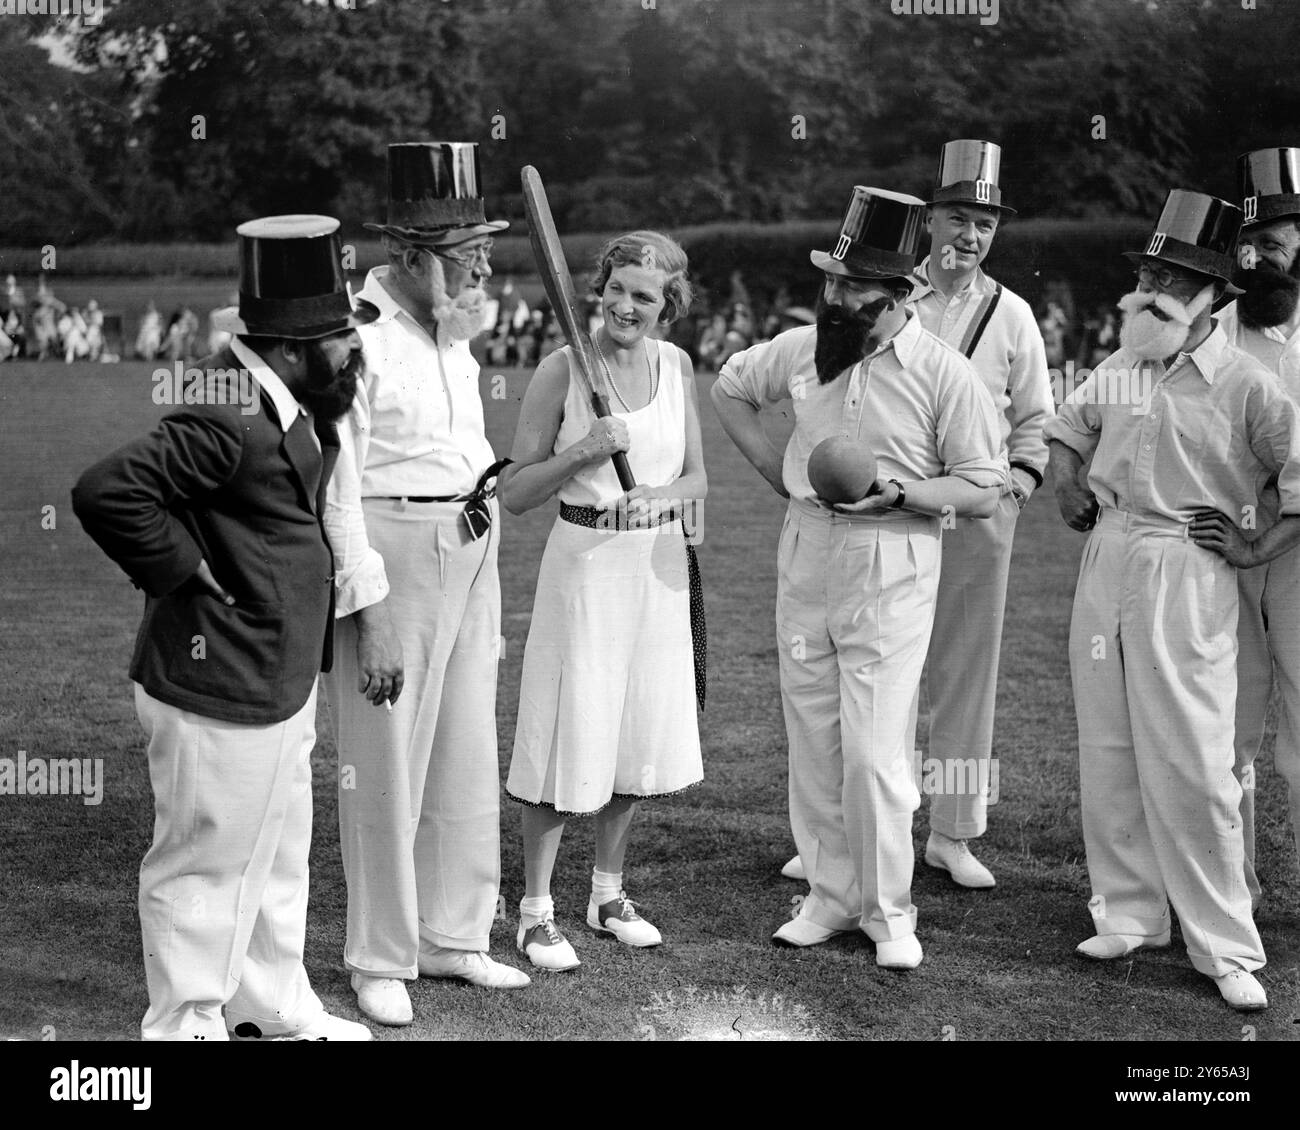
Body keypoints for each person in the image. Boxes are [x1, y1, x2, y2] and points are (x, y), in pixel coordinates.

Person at [70, 215, 379, 1041]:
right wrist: (187, 573)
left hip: (274, 677)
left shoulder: (286, 396)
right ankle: (185, 1023)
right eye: (342, 336)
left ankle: (271, 1002)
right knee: (203, 864)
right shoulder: (224, 412)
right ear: (289, 346)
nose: (354, 352)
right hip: (218, 685)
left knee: (275, 855)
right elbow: (107, 492)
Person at [712, 187, 1006, 970]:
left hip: (895, 556)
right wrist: (779, 471)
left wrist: (906, 493)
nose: (837, 303)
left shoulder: (945, 375)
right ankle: (830, 898)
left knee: (874, 749)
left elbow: (984, 485)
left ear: (903, 295)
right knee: (812, 736)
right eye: (832, 287)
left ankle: (890, 913)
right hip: (806, 548)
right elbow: (730, 388)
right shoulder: (802, 349)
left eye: (856, 295)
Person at [1046, 189, 1300, 1012]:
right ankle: (1128, 912)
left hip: (1188, 571)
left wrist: (1258, 545)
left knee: (1194, 761)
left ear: (1216, 297)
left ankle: (1225, 945)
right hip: (1108, 556)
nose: (1152, 289)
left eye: (1176, 277)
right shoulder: (1123, 367)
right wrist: (1064, 482)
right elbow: (1065, 429)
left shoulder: (1248, 386)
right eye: (1151, 270)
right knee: (1110, 744)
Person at [323, 141, 529, 1029]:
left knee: (464, 751)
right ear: (409, 256)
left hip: (472, 541)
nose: (484, 266)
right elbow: (337, 491)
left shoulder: (453, 333)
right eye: (465, 253)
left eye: (485, 249)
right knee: (385, 765)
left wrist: (486, 576)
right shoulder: (354, 344)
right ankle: (378, 954)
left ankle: (454, 936)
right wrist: (366, 611)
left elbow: (466, 461)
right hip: (393, 555)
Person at [501, 230, 707, 971]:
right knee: (569, 730)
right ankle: (533, 913)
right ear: (599, 288)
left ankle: (608, 894)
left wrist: (659, 499)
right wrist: (584, 451)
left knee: (633, 735)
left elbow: (697, 483)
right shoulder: (563, 369)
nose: (625, 305)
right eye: (616, 288)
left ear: (668, 305)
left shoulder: (677, 366)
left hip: (652, 571)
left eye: (643, 295)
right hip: (582, 570)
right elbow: (516, 492)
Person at [1211, 147, 1300, 906]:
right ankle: (1233, 889)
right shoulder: (1208, 331)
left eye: (1272, 242)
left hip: (1298, 559)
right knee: (1227, 725)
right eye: (1245, 244)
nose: (1254, 257)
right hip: (1225, 554)